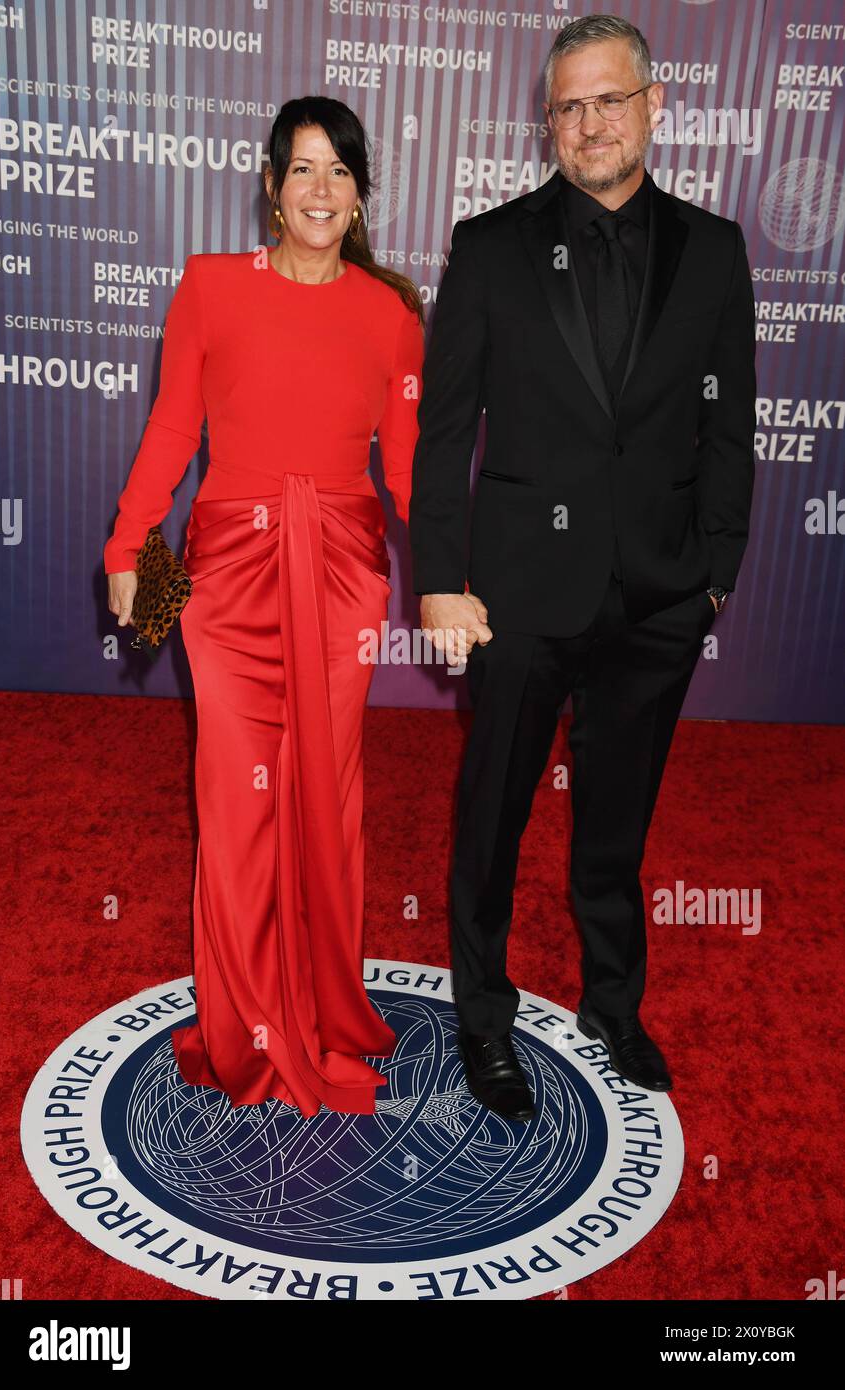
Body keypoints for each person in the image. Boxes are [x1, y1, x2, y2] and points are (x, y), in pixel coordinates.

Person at [409, 14, 756, 1121]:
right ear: (545, 120)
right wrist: (437, 577)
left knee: (616, 820)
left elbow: (730, 430)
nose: (589, 123)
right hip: (514, 599)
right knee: (492, 814)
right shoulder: (490, 244)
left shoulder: (713, 250)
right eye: (568, 105)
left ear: (654, 106)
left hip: (656, 598)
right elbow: (442, 429)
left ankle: (612, 1003)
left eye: (609, 100)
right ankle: (481, 1014)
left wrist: (713, 572)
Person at [105, 96, 426, 1118]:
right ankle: (247, 1020)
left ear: (361, 189)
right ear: (271, 186)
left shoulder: (390, 315)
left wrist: (460, 577)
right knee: (238, 802)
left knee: (326, 796)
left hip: (340, 573)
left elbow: (412, 477)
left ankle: (326, 1007)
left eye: (338, 171)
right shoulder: (208, 288)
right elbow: (171, 430)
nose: (319, 189)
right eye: (301, 170)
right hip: (231, 575)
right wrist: (128, 543)